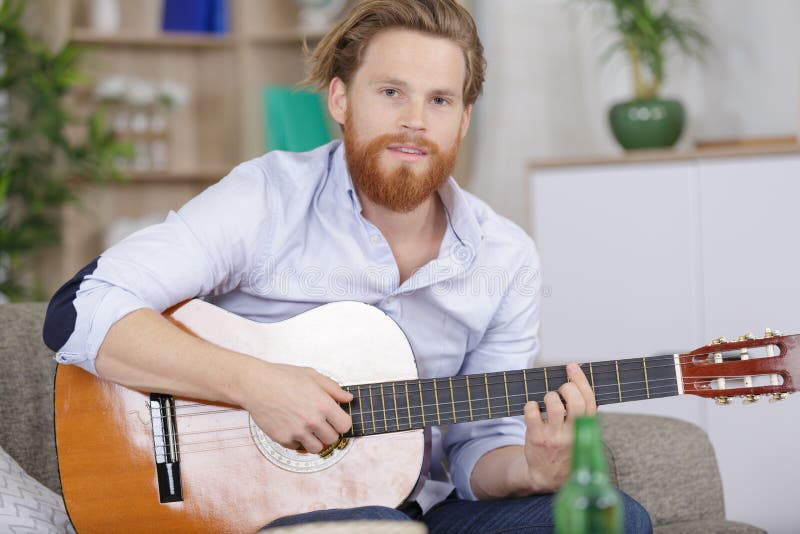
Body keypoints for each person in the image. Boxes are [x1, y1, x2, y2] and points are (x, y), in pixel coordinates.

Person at [43, 0, 652, 531]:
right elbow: (81, 308)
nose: (416, 119)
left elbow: (475, 452)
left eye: (440, 99)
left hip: (417, 509)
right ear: (340, 98)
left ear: (464, 119)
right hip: (257, 507)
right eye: (391, 92)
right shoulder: (267, 198)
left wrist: (530, 468)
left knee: (619, 520)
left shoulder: (506, 257)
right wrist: (256, 385)